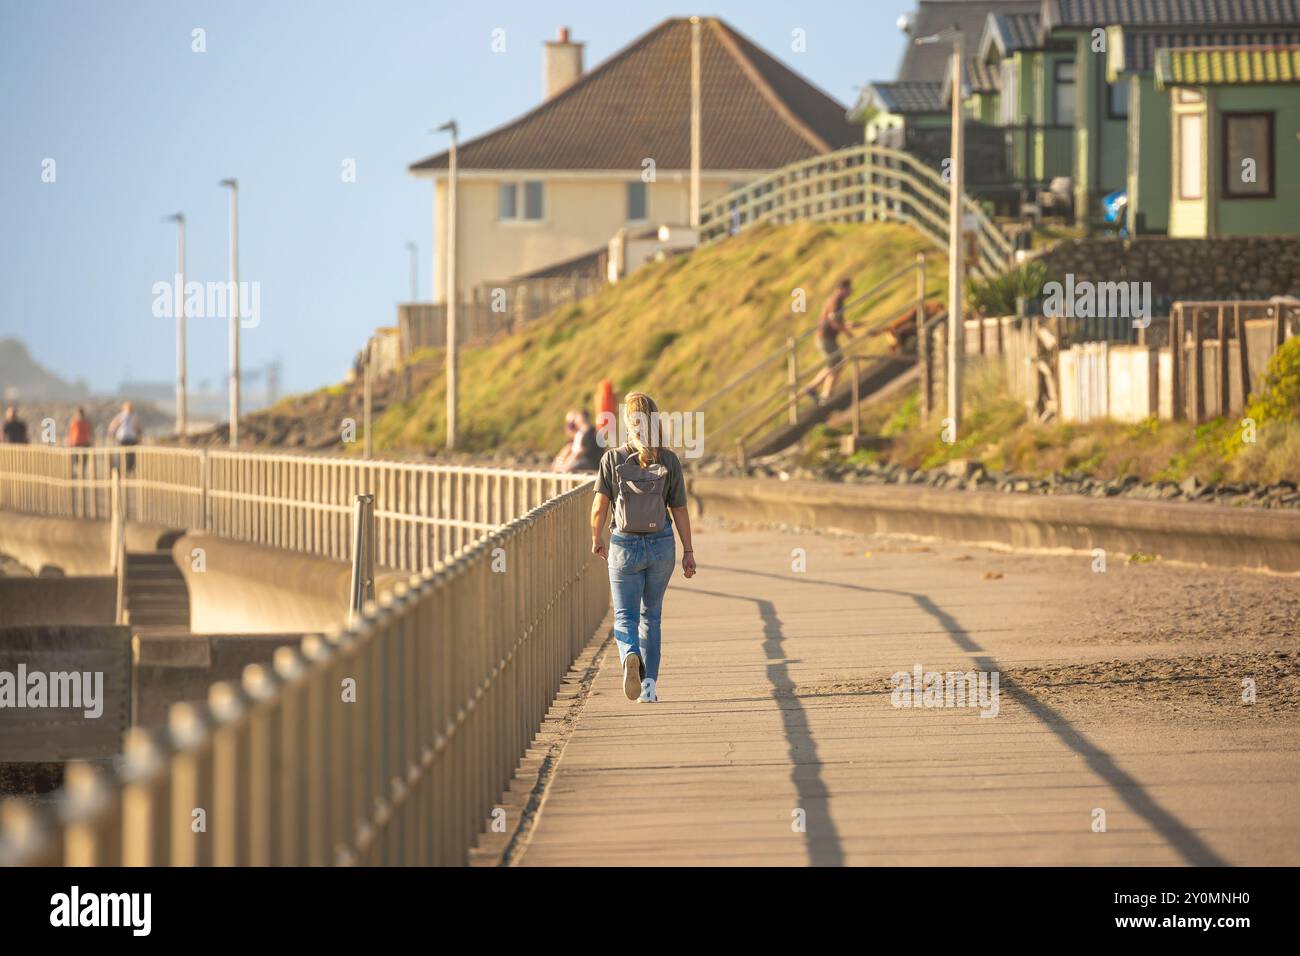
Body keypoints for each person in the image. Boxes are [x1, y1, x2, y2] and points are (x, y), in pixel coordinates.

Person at [590, 392, 696, 704]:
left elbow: (599, 507)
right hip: (661, 544)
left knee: (625, 616)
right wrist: (688, 551)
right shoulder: (669, 460)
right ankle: (648, 688)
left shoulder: (612, 459)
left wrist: (596, 538)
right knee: (652, 616)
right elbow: (680, 510)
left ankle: (630, 655)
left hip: (624, 545)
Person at [804, 277, 855, 406]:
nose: (851, 291)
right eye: (849, 288)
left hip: (826, 338)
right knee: (835, 365)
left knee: (835, 365)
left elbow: (835, 321)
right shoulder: (837, 300)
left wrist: (848, 325)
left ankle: (823, 394)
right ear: (843, 289)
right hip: (826, 339)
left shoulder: (836, 299)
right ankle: (815, 389)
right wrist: (847, 332)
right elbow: (833, 321)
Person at [107, 401, 141, 474]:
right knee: (130, 455)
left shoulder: (121, 415)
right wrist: (139, 436)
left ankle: (120, 469)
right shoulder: (133, 416)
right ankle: (129, 469)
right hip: (131, 437)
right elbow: (137, 428)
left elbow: (113, 426)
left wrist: (111, 434)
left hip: (123, 437)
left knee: (121, 454)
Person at [67, 406, 93, 478]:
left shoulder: (85, 423)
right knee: (75, 460)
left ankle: (81, 474)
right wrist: (70, 443)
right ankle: (75, 473)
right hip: (76, 444)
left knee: (83, 461)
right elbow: (71, 434)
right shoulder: (74, 422)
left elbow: (89, 433)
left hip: (84, 443)